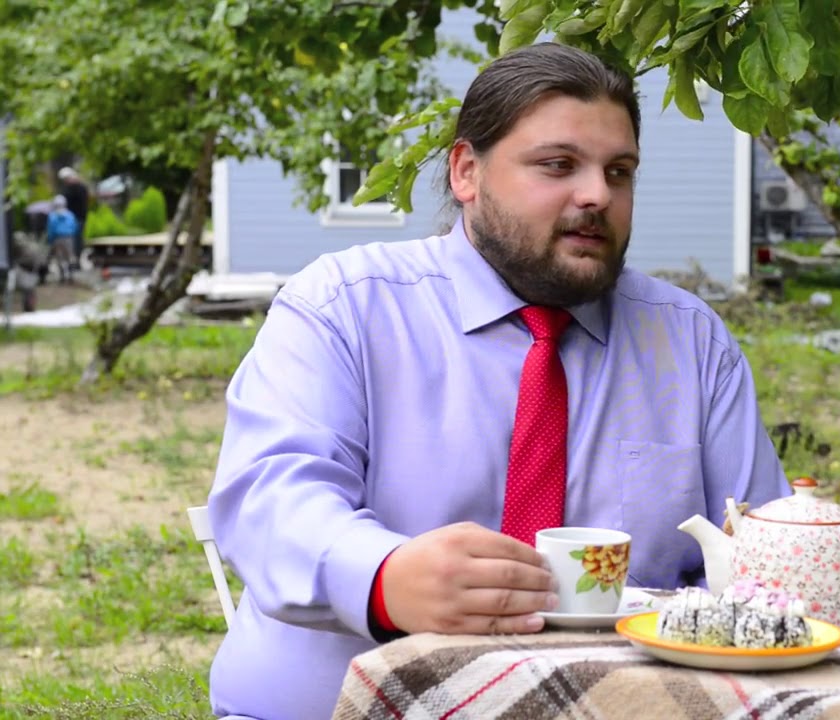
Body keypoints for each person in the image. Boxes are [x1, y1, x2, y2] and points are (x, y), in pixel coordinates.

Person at [205, 43, 789, 720]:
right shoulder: (345, 306)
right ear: (466, 172)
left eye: (619, 172)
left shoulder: (689, 342)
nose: (597, 195)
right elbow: (269, 503)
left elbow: (766, 555)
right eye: (558, 165)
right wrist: (384, 578)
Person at [56, 166, 89, 261]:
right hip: (70, 219)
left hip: (79, 218)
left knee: (77, 239)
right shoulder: (67, 189)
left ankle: (77, 258)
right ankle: (70, 258)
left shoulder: (79, 188)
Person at [45, 195, 78, 283]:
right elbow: (75, 227)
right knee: (70, 256)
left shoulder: (52, 216)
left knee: (60, 258)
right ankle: (71, 275)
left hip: (57, 239)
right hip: (69, 238)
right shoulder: (70, 215)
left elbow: (50, 229)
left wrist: (50, 240)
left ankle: (63, 276)